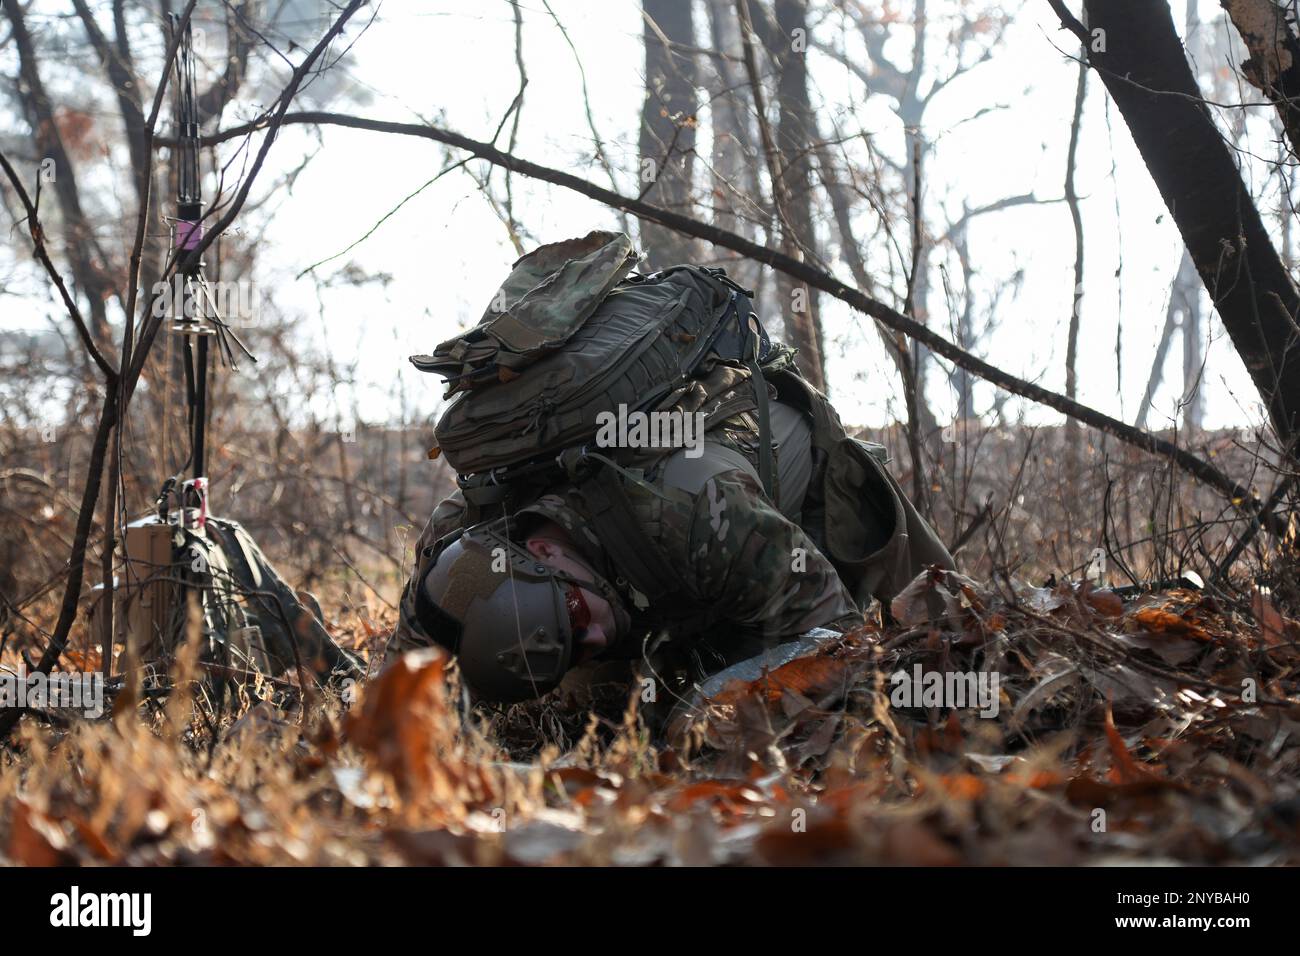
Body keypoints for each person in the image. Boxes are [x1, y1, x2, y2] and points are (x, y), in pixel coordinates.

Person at [387, 339, 955, 729]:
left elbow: (837, 643)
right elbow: (402, 671)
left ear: (543, 553)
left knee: (949, 642)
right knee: (607, 707)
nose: (589, 644)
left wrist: (706, 699)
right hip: (644, 552)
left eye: (576, 624)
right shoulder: (462, 540)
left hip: (803, 489)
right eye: (566, 652)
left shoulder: (703, 509)